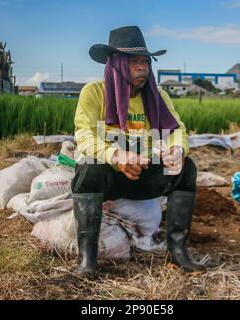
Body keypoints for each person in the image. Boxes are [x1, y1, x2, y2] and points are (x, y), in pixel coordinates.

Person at [72, 26, 205, 279]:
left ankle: (178, 253)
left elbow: (178, 129)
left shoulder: (158, 96)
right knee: (88, 166)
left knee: (186, 168)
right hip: (110, 179)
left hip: (145, 177)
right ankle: (87, 262)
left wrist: (178, 149)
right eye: (134, 62)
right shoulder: (94, 93)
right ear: (117, 64)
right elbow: (84, 136)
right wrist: (116, 155)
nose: (142, 67)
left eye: (145, 61)